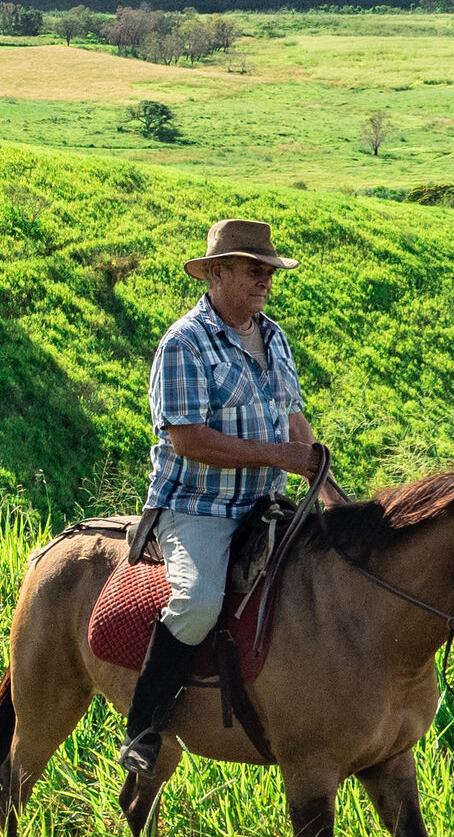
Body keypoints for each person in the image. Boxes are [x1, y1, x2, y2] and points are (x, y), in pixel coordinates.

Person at [118, 219, 342, 776]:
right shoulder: (184, 343)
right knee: (196, 603)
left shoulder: (274, 337)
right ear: (217, 272)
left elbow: (293, 420)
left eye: (269, 270)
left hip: (267, 504)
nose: (265, 280)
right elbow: (188, 438)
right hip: (199, 507)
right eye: (252, 269)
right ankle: (144, 728)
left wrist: (329, 489)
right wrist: (277, 458)